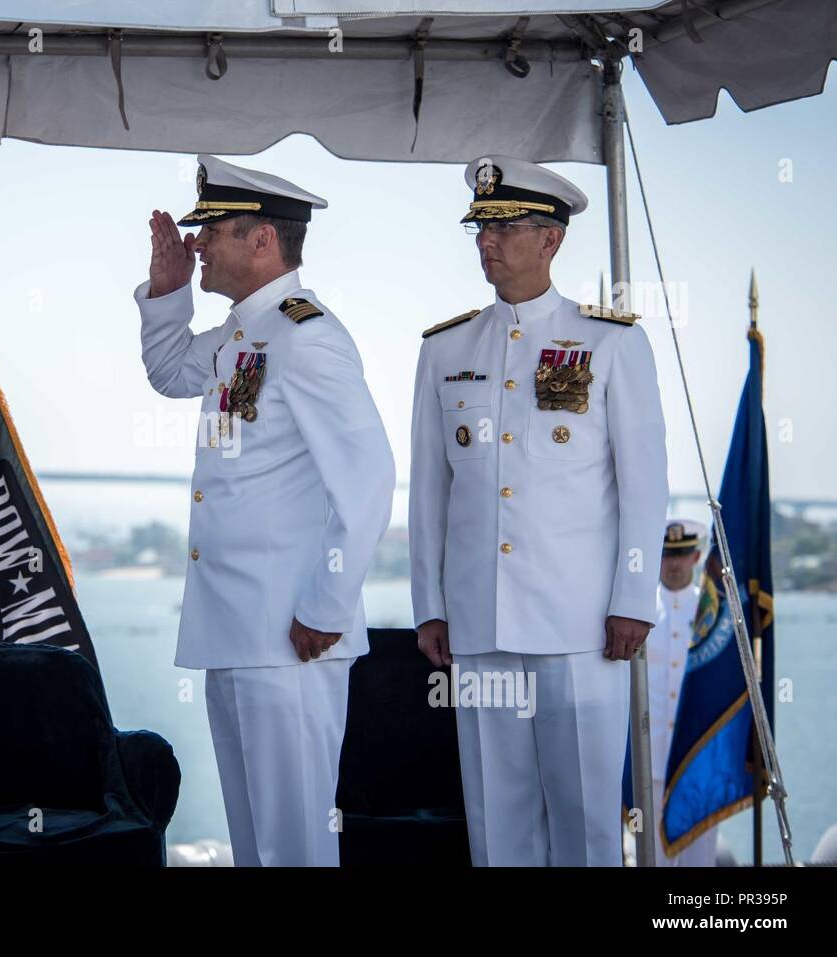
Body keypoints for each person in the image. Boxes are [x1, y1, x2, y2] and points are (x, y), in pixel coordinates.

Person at [409, 154, 668, 866]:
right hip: (481, 622)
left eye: (503, 229)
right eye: (479, 229)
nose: (485, 243)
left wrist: (634, 598)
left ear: (550, 239)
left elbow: (644, 485)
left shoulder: (612, 342)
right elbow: (431, 491)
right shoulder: (445, 349)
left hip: (582, 624)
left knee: (586, 822)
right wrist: (430, 604)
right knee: (498, 822)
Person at [136, 154, 395, 866]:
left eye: (213, 230)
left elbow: (369, 477)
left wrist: (328, 604)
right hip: (240, 633)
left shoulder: (306, 336)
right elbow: (167, 372)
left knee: (295, 846)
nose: (199, 244)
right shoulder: (240, 336)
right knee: (257, 847)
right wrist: (167, 292)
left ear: (262, 242)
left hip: (292, 636)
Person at [651, 518, 719, 866]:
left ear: (696, 557)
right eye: (666, 554)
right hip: (649, 761)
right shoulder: (638, 613)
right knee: (653, 857)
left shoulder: (714, 615)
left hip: (697, 758)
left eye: (681, 554)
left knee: (700, 858)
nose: (673, 563)